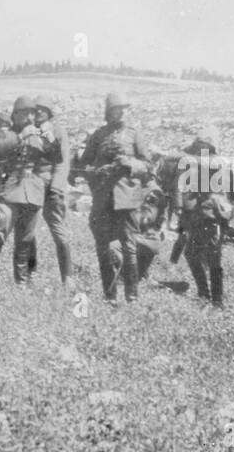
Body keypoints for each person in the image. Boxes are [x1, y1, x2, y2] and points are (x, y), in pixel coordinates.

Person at [81, 93, 151, 303]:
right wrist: (97, 172)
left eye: (122, 109)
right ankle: (109, 295)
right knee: (102, 246)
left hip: (127, 197)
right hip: (103, 197)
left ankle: (132, 296)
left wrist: (130, 163)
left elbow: (148, 166)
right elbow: (84, 164)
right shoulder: (98, 135)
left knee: (129, 246)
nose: (119, 113)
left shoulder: (134, 134)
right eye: (115, 109)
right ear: (108, 112)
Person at [0, 96, 51, 282]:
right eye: (24, 113)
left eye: (31, 113)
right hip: (8, 191)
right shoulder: (4, 133)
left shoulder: (39, 135)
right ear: (15, 115)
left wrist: (42, 181)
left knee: (26, 239)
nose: (29, 117)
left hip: (32, 192)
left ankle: (22, 281)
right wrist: (20, 137)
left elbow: (47, 162)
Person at [176, 132, 234, 307]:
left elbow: (188, 194)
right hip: (220, 214)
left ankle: (206, 293)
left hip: (203, 214)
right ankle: (217, 298)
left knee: (192, 254)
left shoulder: (196, 164)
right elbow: (230, 192)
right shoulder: (222, 163)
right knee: (214, 256)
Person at [33, 95, 73, 284]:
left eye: (43, 109)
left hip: (51, 188)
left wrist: (56, 188)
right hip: (32, 185)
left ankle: (68, 277)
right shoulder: (29, 130)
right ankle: (29, 274)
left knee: (58, 231)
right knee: (28, 231)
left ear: (50, 113)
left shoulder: (58, 131)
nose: (39, 112)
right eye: (36, 109)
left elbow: (62, 163)